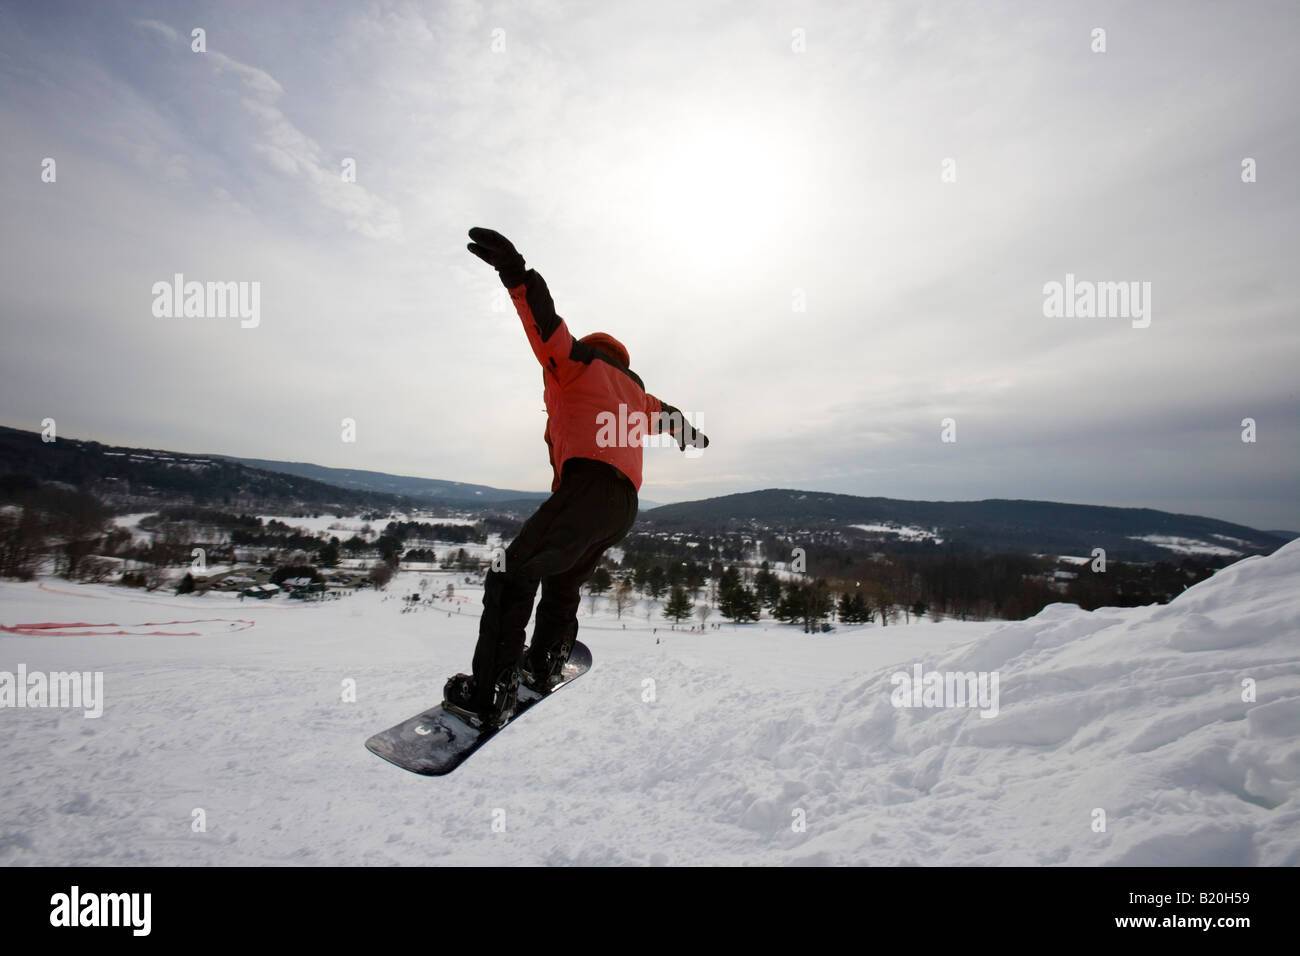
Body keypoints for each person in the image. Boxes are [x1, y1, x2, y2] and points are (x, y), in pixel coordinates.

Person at [443, 227, 709, 727]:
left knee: (511, 572)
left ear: (593, 348)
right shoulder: (634, 394)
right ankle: (543, 663)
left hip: (586, 489)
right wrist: (691, 435)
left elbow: (546, 325)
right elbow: (670, 415)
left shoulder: (576, 363)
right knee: (563, 580)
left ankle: (488, 691)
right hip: (623, 507)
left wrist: (516, 273)